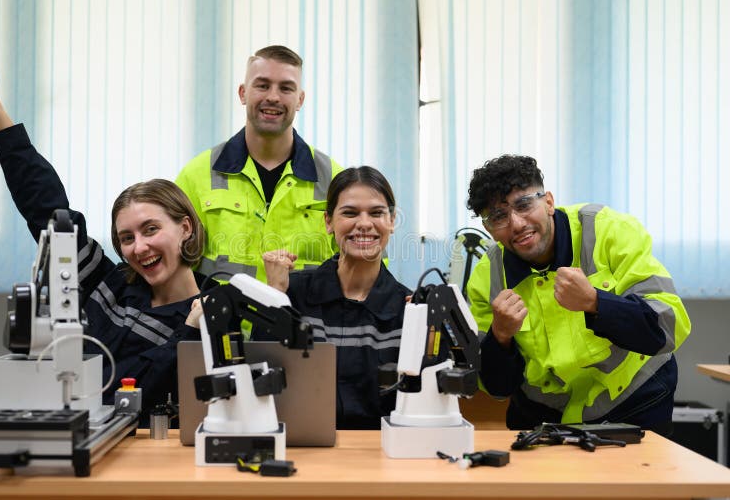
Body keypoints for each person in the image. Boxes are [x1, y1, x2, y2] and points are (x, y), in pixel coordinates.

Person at [0, 65, 212, 424]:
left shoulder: (209, 313)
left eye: (150, 229)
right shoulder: (105, 284)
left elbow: (142, 393)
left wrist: (190, 332)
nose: (139, 247)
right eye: (126, 238)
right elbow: (44, 204)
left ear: (185, 227)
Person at [465, 155, 691, 434]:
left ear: (548, 202)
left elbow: (669, 326)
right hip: (543, 415)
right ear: (488, 228)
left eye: (524, 205)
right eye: (498, 216)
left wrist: (596, 303)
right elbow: (497, 388)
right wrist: (500, 337)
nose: (517, 224)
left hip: (633, 403)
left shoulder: (608, 230)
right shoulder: (487, 277)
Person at [175, 45, 343, 285]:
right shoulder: (195, 176)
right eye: (262, 85)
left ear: (300, 99)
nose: (273, 97)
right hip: (219, 322)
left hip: (306, 322)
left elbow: (363, 265)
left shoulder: (335, 179)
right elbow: (174, 266)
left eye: (286, 88)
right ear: (243, 93)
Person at [262, 166, 409, 430]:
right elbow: (261, 379)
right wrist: (273, 295)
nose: (364, 224)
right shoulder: (290, 293)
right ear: (328, 222)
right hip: (302, 448)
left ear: (392, 221)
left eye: (376, 213)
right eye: (350, 213)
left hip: (383, 455)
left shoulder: (410, 308)